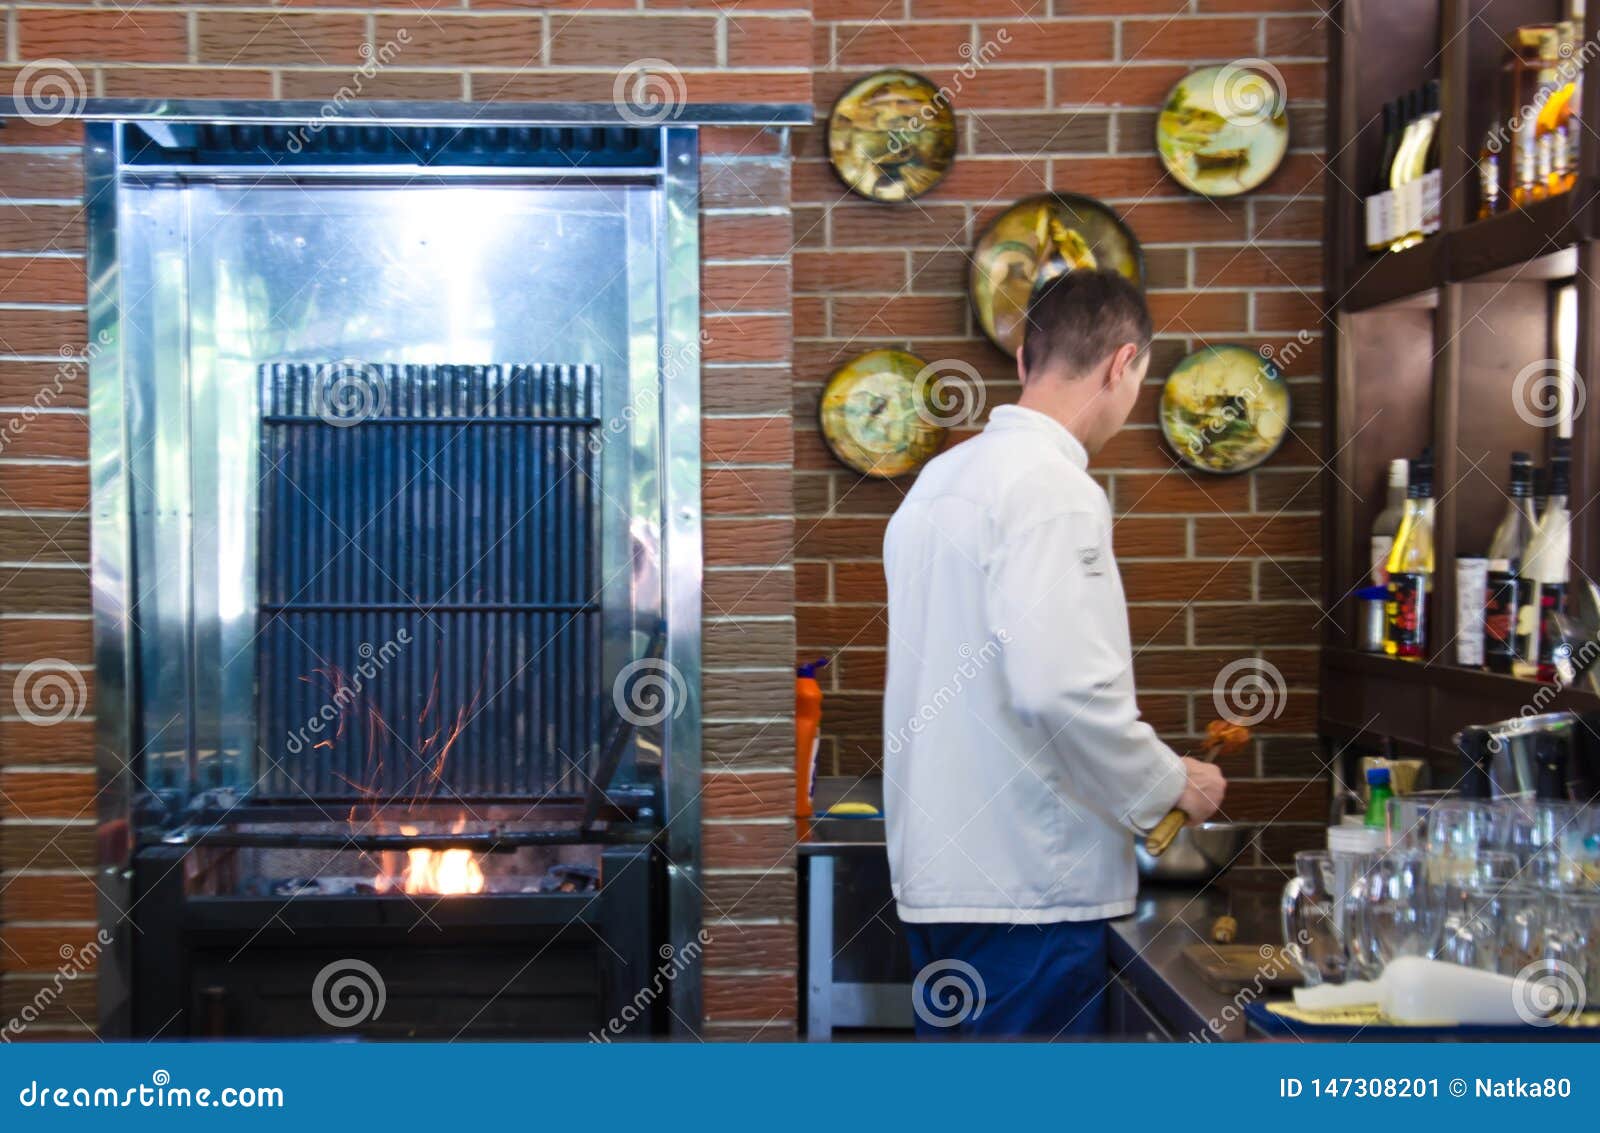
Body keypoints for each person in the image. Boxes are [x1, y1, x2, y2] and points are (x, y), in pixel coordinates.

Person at [881, 269, 1227, 1039]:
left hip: (945, 882)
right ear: (1122, 364)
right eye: (1139, 378)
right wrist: (1171, 782)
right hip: (1030, 894)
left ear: (1023, 361)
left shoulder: (939, 481)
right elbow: (1058, 688)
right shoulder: (1055, 489)